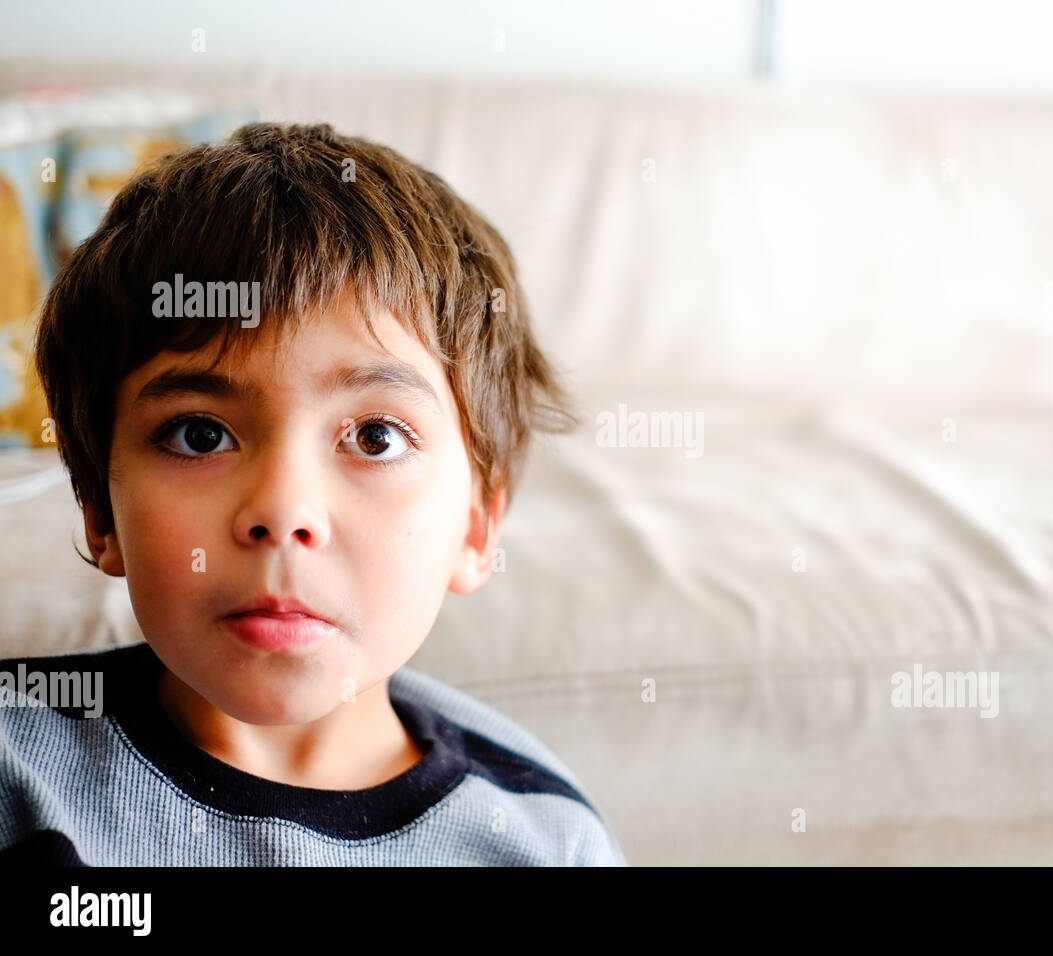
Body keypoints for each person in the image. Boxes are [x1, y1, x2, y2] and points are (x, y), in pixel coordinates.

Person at [0, 122, 627, 866]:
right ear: (99, 510)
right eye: (199, 435)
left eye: (375, 439)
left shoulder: (545, 839)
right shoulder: (19, 777)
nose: (283, 511)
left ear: (475, 529)